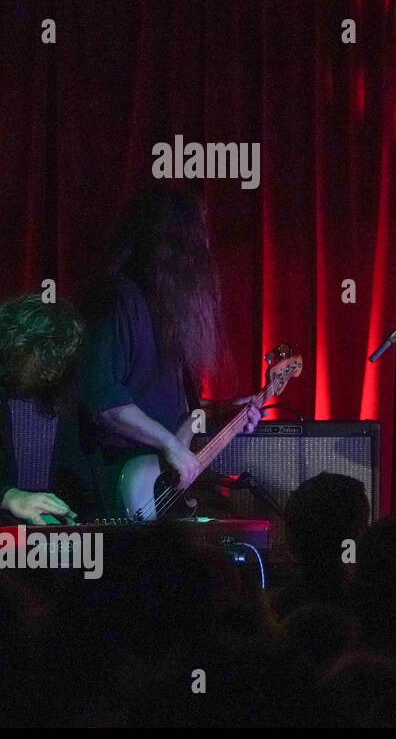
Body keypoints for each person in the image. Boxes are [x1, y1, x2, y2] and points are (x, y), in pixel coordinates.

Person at [77, 184, 262, 519]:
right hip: (117, 484)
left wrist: (220, 411)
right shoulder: (119, 300)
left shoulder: (167, 312)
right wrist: (171, 444)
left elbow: (165, 406)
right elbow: (104, 400)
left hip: (161, 488)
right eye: (198, 235)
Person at [0, 294, 92, 523]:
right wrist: (9, 496)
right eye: (44, 357)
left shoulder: (67, 393)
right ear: (18, 344)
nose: (51, 372)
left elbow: (78, 477)